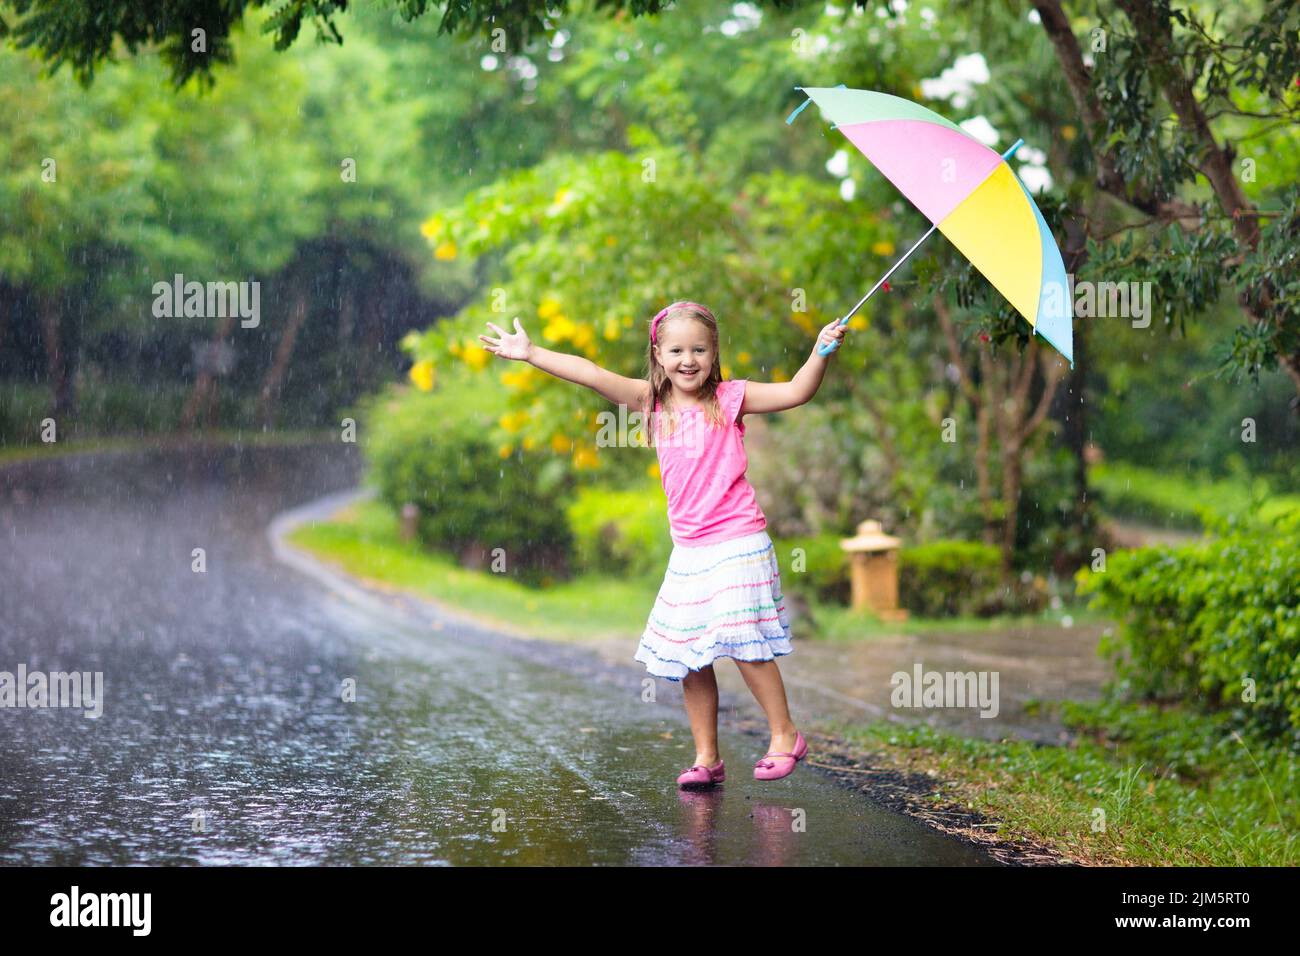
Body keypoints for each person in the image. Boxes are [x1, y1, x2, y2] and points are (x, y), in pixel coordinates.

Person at [478, 301, 846, 789]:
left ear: (715, 354)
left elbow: (797, 391)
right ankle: (707, 757)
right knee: (690, 655)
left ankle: (784, 735)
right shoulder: (651, 401)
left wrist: (820, 351)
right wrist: (531, 353)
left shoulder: (732, 398)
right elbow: (590, 373)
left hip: (739, 539)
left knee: (742, 639)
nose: (687, 360)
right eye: (676, 350)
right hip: (690, 551)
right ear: (658, 353)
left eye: (699, 349)